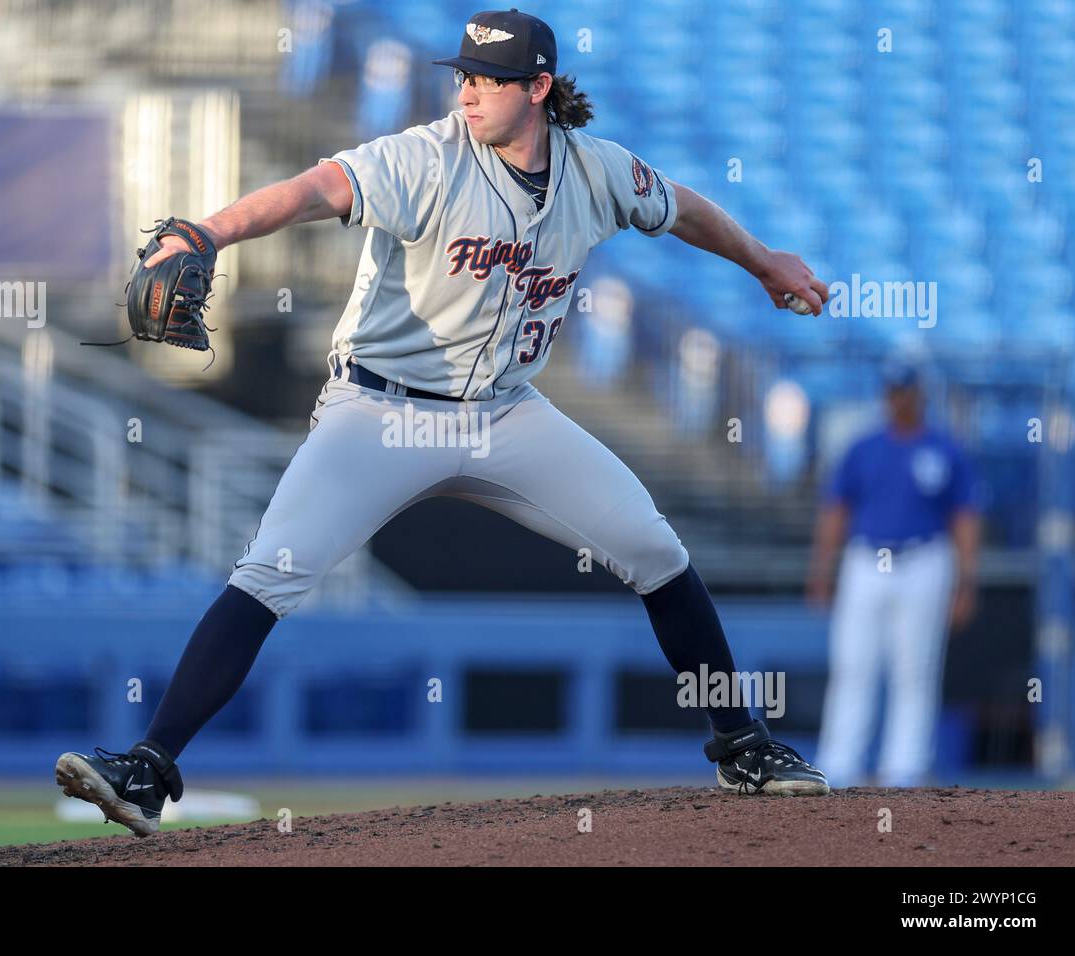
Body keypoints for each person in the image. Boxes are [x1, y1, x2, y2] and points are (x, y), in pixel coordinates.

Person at [56, 8, 833, 836]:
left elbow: (680, 207)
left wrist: (763, 261)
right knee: (274, 569)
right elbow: (316, 189)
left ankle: (742, 744)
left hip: (506, 413)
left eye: (487, 78)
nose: (466, 90)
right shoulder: (423, 157)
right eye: (461, 73)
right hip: (381, 409)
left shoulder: (597, 172)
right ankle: (146, 768)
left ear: (537, 88)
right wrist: (210, 230)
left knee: (655, 550)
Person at [807, 361, 981, 787]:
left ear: (920, 394)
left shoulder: (944, 448)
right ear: (885, 395)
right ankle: (840, 762)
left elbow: (965, 518)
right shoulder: (863, 447)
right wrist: (821, 567)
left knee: (915, 668)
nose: (900, 399)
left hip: (924, 559)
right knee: (853, 664)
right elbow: (836, 511)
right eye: (893, 391)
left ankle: (904, 767)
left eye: (906, 391)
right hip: (867, 560)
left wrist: (966, 580)